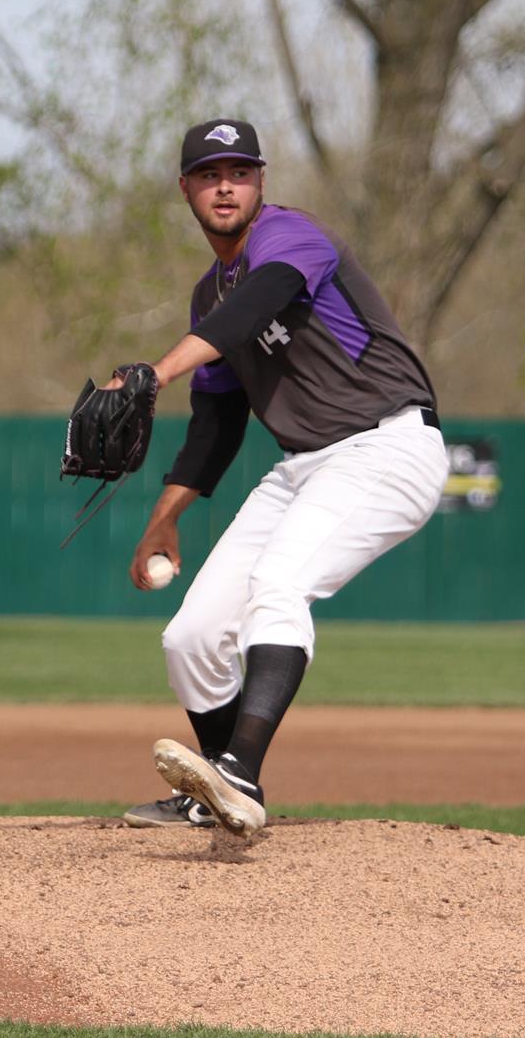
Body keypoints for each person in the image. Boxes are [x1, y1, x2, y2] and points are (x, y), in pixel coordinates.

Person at [113, 117, 450, 836]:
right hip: (308, 464)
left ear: (261, 182)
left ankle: (238, 771)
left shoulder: (292, 237)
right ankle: (221, 790)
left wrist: (156, 370)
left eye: (239, 171)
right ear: (186, 189)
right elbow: (215, 425)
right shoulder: (207, 300)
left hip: (388, 447)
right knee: (193, 636)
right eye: (209, 174)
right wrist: (164, 517)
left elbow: (255, 305)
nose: (225, 185)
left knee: (279, 585)